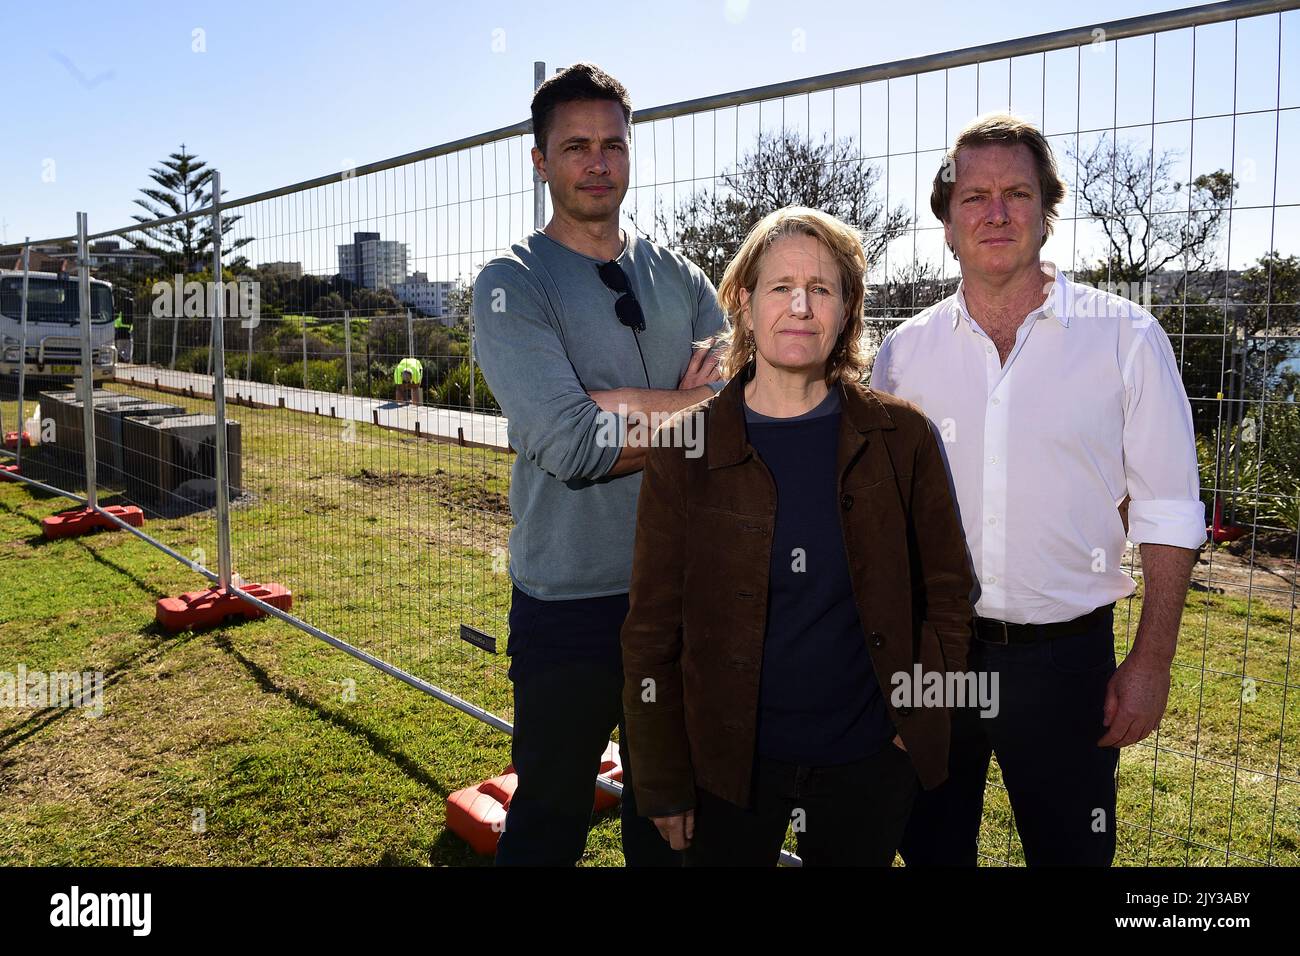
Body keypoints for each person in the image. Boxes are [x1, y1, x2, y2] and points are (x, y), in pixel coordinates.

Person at [871, 113, 1207, 866]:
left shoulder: (1124, 338)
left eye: (1018, 194)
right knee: (930, 850)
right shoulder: (903, 355)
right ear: (947, 223)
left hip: (1064, 665)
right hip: (935, 660)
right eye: (974, 197)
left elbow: (1170, 513)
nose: (996, 213)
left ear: (1048, 214)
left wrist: (1151, 664)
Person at [620, 206, 974, 866]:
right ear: (745, 304)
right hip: (725, 767)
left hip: (867, 761)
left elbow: (950, 597)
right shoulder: (684, 450)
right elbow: (650, 632)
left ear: (847, 309)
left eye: (823, 289)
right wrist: (663, 778)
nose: (801, 307)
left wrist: (912, 729)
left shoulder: (904, 437)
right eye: (781, 287)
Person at [471, 62, 727, 866]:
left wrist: (617, 401)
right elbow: (574, 447)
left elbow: (743, 411)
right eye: (575, 146)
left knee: (669, 816)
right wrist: (691, 407)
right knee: (549, 813)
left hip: (679, 590)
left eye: (613, 144)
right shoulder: (512, 282)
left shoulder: (682, 276)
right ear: (540, 160)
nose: (597, 162)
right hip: (568, 603)